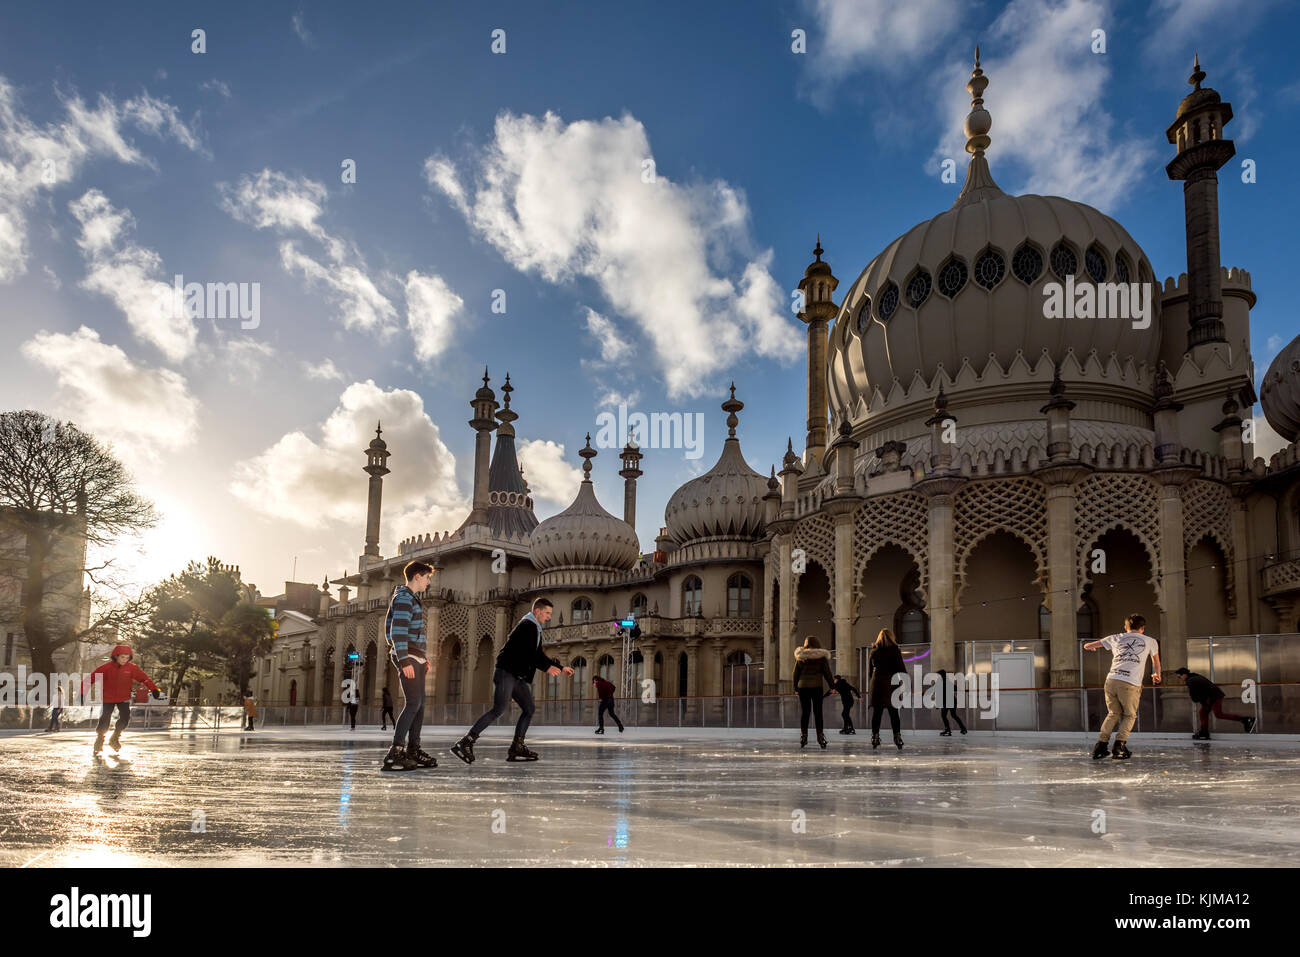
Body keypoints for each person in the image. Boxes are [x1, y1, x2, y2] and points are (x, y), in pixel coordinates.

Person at [452, 598, 573, 764]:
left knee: (529, 708)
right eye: (547, 613)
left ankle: (517, 747)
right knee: (498, 709)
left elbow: (537, 654)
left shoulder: (534, 627)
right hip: (506, 673)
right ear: (537, 611)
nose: (549, 617)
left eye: (550, 614)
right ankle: (465, 742)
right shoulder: (527, 626)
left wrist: (560, 667)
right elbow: (531, 654)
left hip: (515, 676)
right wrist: (547, 668)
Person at [382, 561, 437, 771]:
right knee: (413, 703)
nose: (429, 582)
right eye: (427, 577)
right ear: (417, 576)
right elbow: (398, 631)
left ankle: (413, 750)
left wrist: (423, 658)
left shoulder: (410, 599)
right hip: (408, 657)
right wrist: (405, 660)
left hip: (416, 657)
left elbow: (411, 633)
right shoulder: (404, 598)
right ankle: (395, 753)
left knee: (420, 704)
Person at [1084, 613, 1160, 760]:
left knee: (1113, 713)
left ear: (1126, 627)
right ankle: (1119, 746)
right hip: (1130, 683)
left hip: (1111, 679)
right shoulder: (1150, 641)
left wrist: (1091, 647)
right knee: (1130, 715)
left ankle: (1100, 746)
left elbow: (1088, 645)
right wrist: (1157, 674)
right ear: (1143, 628)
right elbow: (1156, 661)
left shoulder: (1117, 637)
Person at [79, 644, 161, 756]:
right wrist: (82, 693)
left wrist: (154, 689)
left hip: (124, 697)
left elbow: (144, 679)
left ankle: (115, 737)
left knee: (125, 717)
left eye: (127, 658)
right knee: (105, 717)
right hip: (108, 697)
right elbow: (90, 679)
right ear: (116, 656)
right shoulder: (106, 668)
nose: (125, 660)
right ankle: (99, 739)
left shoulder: (132, 668)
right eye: (122, 657)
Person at [1175, 667, 1256, 739]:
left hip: (1214, 697)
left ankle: (1246, 719)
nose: (1180, 678)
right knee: (1203, 712)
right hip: (1212, 696)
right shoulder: (1194, 677)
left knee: (1218, 714)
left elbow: (1194, 696)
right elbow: (1203, 691)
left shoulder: (1191, 680)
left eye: (1180, 676)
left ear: (1184, 674)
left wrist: (1203, 701)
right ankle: (1204, 732)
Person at [867, 628, 906, 750]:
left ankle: (875, 737)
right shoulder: (895, 651)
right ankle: (897, 737)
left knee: (877, 713)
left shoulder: (874, 651)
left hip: (877, 683)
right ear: (891, 637)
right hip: (891, 683)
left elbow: (869, 672)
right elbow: (901, 668)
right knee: (893, 712)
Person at [793, 636, 834, 749]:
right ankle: (820, 737)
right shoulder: (821, 657)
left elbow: (795, 673)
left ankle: (803, 736)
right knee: (818, 713)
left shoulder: (801, 656)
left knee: (805, 712)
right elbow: (827, 672)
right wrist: (832, 686)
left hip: (803, 687)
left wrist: (795, 688)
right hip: (816, 687)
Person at [936, 668, 967, 736]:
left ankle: (948, 730)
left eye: (938, 675)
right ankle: (963, 728)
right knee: (953, 715)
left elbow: (941, 694)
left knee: (944, 715)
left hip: (948, 701)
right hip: (951, 700)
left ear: (941, 675)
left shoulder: (942, 682)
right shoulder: (946, 681)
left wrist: (938, 704)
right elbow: (955, 688)